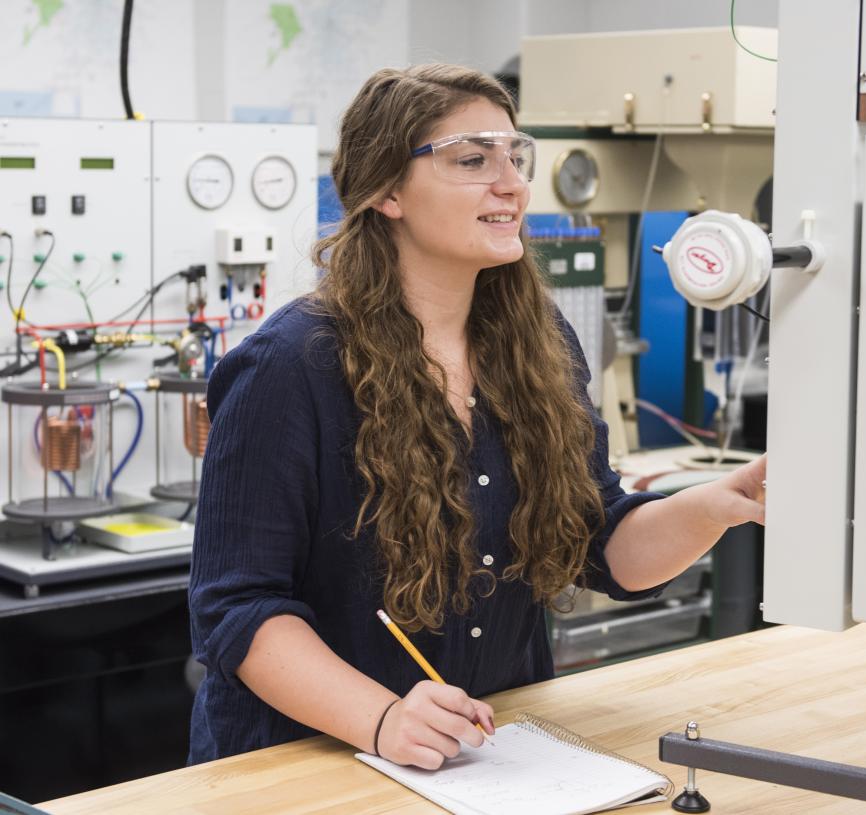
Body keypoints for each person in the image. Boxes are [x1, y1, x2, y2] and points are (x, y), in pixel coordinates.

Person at [187, 63, 767, 770]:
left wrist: (718, 504)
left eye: (515, 156)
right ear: (386, 191)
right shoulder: (290, 366)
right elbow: (238, 609)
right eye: (472, 160)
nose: (512, 183)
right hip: (307, 764)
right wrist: (382, 718)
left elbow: (598, 539)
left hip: (486, 760)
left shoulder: (538, 344)